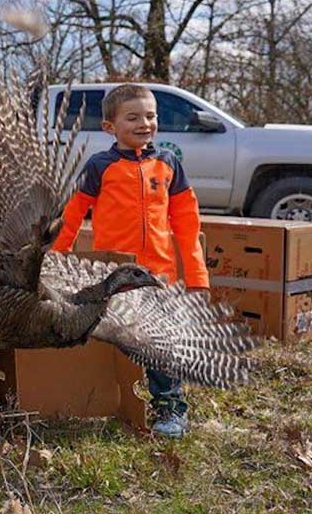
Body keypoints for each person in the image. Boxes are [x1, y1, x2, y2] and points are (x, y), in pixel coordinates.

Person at [52, 83, 209, 439]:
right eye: (133, 117)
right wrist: (54, 261)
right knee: (116, 342)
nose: (145, 123)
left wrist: (197, 278)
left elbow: (188, 226)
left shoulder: (168, 164)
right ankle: (104, 398)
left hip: (159, 276)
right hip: (114, 277)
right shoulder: (99, 166)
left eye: (151, 116)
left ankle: (170, 408)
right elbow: (72, 216)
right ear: (110, 126)